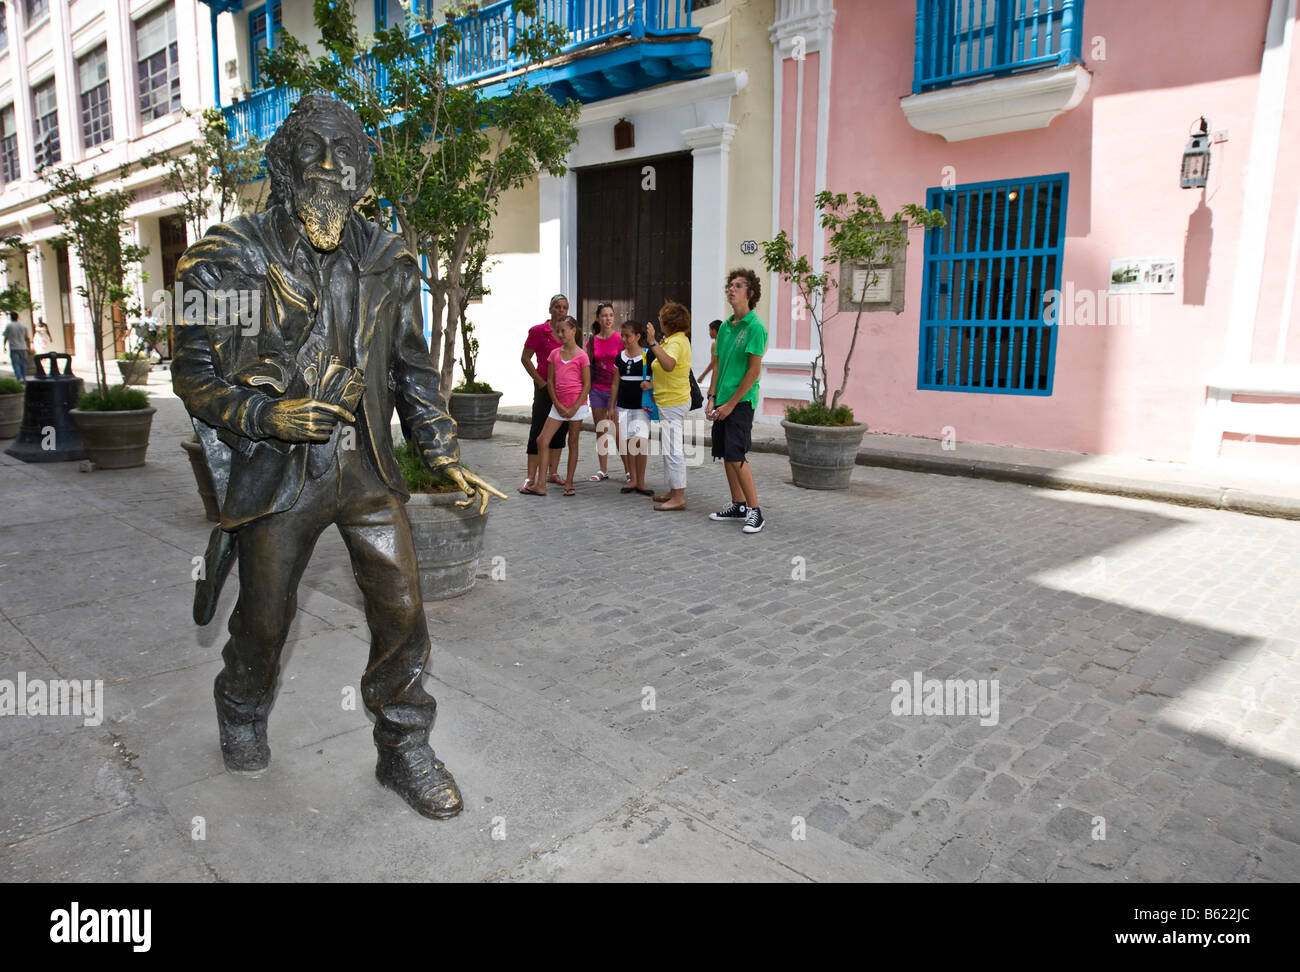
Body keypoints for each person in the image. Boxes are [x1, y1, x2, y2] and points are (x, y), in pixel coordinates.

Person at [171, 94, 505, 820]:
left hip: (364, 471)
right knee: (264, 617)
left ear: (363, 173)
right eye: (313, 149)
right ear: (282, 165)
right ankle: (241, 701)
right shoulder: (226, 262)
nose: (329, 165)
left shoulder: (389, 260)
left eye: (344, 151)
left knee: (402, 605)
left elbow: (414, 370)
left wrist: (441, 449)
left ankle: (403, 743)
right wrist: (267, 414)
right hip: (280, 474)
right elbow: (193, 378)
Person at [707, 268, 768, 534]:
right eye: (730, 285)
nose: (731, 289)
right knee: (725, 454)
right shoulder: (725, 328)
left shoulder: (755, 328)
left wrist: (731, 404)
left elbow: (753, 372)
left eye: (738, 286)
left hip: (741, 402)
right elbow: (717, 366)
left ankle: (756, 511)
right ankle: (738, 505)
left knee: (736, 454)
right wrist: (711, 397)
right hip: (722, 400)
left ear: (750, 293)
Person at [528, 316, 590, 496]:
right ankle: (541, 484)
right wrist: (557, 404)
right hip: (558, 405)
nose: (560, 334)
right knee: (542, 439)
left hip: (576, 405)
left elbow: (586, 385)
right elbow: (551, 381)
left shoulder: (582, 356)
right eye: (558, 331)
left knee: (573, 442)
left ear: (573, 330)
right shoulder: (554, 354)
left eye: (564, 330)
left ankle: (569, 483)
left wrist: (574, 407)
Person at [520, 295, 570, 492]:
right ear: (550, 309)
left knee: (560, 431)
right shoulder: (538, 331)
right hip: (544, 388)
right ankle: (530, 477)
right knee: (538, 430)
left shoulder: (568, 332)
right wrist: (540, 381)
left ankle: (553, 473)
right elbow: (525, 358)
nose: (561, 310)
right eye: (557, 307)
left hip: (564, 389)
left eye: (564, 307)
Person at [645, 301, 691, 511]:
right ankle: (673, 490)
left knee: (673, 450)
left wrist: (653, 342)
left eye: (662, 318)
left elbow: (668, 365)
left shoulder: (677, 342)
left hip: (673, 402)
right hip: (668, 400)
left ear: (668, 322)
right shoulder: (675, 340)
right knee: (669, 448)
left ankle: (678, 496)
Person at [585, 301, 623, 483]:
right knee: (601, 430)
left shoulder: (619, 339)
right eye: (604, 315)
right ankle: (603, 469)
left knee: (617, 431)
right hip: (597, 390)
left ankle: (629, 470)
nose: (608, 319)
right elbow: (588, 364)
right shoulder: (592, 340)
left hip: (615, 390)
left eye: (611, 315)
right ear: (598, 318)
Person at [614, 321, 653, 497]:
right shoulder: (619, 357)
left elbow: (659, 377)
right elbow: (615, 383)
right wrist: (611, 405)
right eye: (622, 335)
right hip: (623, 406)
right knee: (629, 442)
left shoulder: (647, 355)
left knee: (641, 442)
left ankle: (642, 480)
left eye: (627, 336)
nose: (624, 339)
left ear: (638, 336)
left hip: (641, 406)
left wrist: (650, 384)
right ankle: (633, 479)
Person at [4, 313, 29, 381]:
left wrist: (4, 346)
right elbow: (27, 338)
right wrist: (28, 347)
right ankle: (24, 377)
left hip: (14, 347)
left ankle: (20, 377)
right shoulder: (23, 326)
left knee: (16, 363)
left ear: (11, 317)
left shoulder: (9, 326)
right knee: (23, 363)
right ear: (17, 317)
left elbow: (6, 337)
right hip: (23, 347)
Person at [697, 319, 721, 385]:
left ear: (714, 330)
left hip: (717, 376)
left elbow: (714, 362)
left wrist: (703, 375)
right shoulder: (724, 343)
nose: (709, 333)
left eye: (709, 330)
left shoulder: (715, 344)